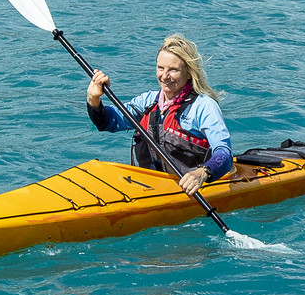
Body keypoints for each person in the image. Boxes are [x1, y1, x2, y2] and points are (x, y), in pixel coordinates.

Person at [85, 34, 232, 197]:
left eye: (173, 70)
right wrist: (93, 99)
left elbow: (224, 153)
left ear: (189, 73)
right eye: (160, 68)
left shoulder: (203, 106)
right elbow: (108, 122)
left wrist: (203, 173)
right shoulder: (147, 101)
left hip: (193, 190)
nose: (164, 76)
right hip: (149, 189)